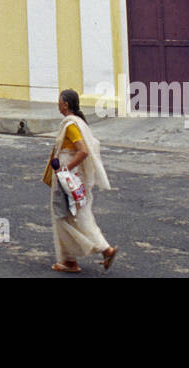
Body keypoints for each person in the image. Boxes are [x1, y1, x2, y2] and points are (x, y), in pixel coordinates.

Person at [43, 88, 118, 274]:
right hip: (71, 176)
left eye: (59, 101)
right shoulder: (75, 123)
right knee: (75, 215)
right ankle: (77, 257)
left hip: (67, 177)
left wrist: (66, 168)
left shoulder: (70, 125)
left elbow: (83, 151)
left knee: (63, 216)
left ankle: (75, 259)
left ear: (66, 104)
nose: (57, 104)